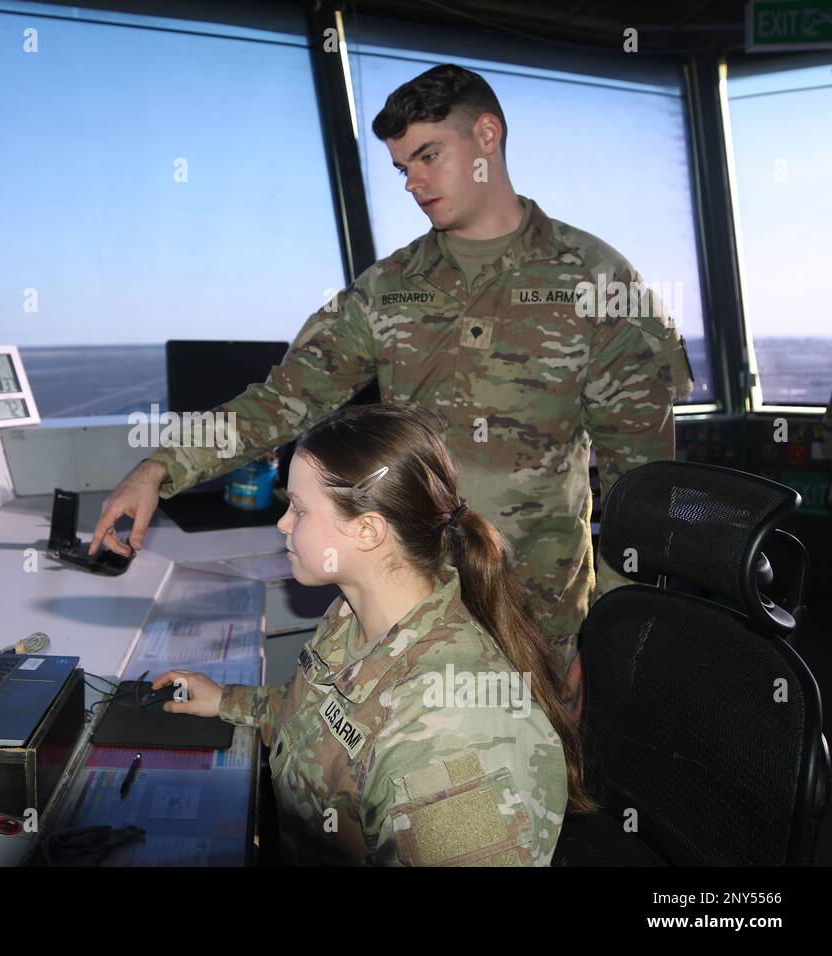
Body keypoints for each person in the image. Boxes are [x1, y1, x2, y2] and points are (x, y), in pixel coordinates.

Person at [90, 64, 694, 705]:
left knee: (537, 796)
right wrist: (161, 468)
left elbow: (645, 486)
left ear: (487, 136)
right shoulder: (388, 289)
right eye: (403, 167)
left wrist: (614, 632)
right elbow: (283, 399)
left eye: (429, 156)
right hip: (408, 609)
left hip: (535, 621)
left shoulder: (597, 282)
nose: (413, 182)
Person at [152, 404, 591, 866]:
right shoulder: (352, 617)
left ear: (366, 531)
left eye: (299, 509)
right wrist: (228, 701)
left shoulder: (455, 730)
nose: (283, 524)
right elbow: (317, 721)